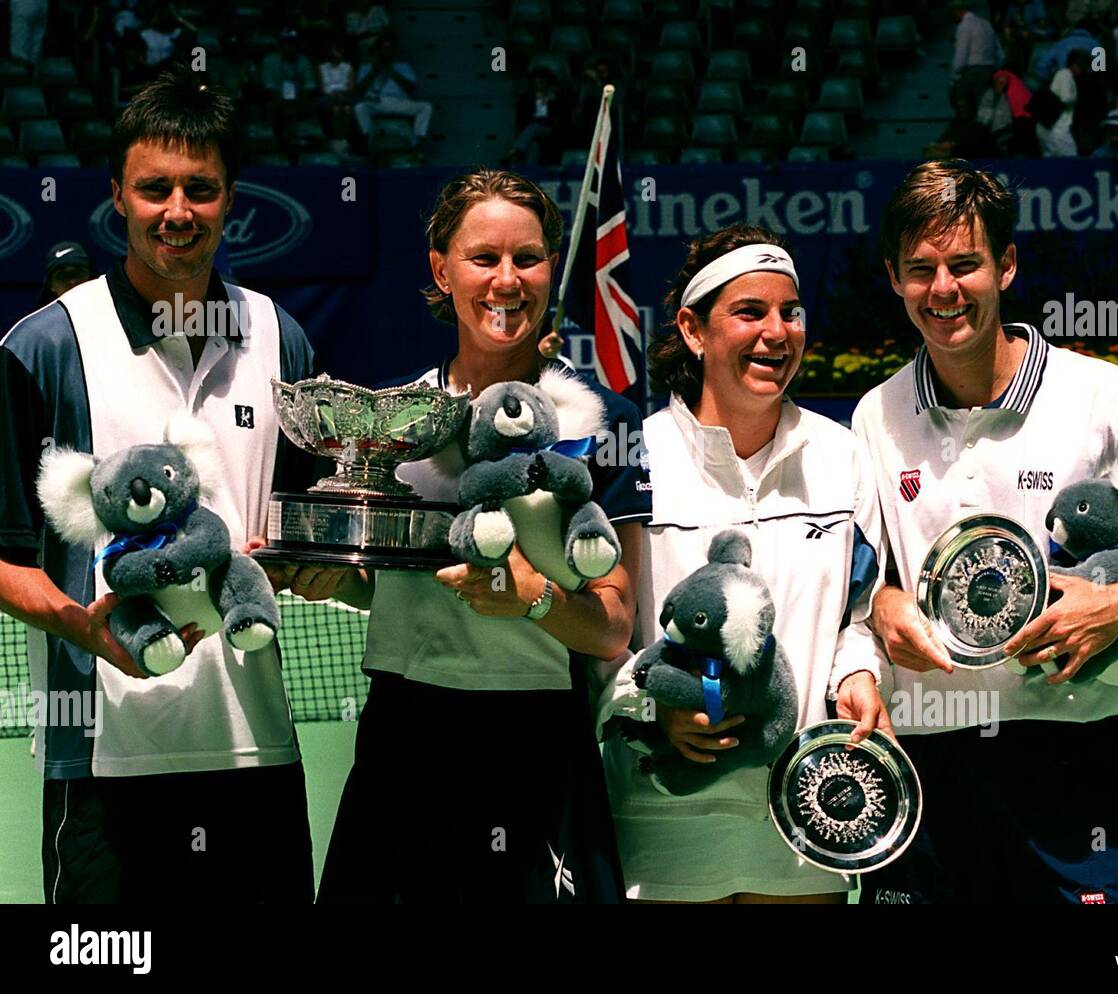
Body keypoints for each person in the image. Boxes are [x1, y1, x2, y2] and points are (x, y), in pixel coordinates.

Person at [852, 160, 1118, 904]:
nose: (943, 289)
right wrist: (880, 604)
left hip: (1075, 772)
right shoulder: (875, 415)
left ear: (1007, 265)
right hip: (927, 769)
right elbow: (856, 575)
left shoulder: (1099, 394)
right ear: (894, 278)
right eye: (921, 270)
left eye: (965, 264)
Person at [0, 69, 324, 904]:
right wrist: (85, 627)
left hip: (257, 749)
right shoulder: (46, 349)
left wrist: (299, 563)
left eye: (200, 189)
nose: (177, 211)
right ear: (117, 197)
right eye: (154, 189)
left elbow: (304, 528)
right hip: (105, 760)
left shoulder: (277, 338)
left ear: (230, 198)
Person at [315, 168, 650, 904]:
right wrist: (327, 573)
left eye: (527, 259)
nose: (507, 281)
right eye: (483, 258)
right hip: (406, 734)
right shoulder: (396, 423)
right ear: (442, 270)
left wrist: (532, 599)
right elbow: (378, 583)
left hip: (538, 743)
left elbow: (614, 626)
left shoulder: (605, 423)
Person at [596, 225, 889, 904]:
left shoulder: (842, 458)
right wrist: (652, 712)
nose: (776, 332)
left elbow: (859, 617)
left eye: (790, 312)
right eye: (749, 312)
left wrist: (859, 675)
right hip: (661, 828)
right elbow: (603, 635)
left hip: (803, 825)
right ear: (694, 331)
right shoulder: (633, 459)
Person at [353, 34, 431, 152]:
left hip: (400, 102)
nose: (387, 51)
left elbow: (411, 89)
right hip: (375, 102)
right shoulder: (366, 67)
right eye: (384, 48)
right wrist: (373, 72)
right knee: (359, 107)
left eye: (390, 48)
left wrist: (390, 71)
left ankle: (417, 142)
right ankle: (369, 139)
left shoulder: (403, 66)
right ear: (378, 50)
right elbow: (358, 92)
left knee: (426, 107)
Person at [950, 2, 1004, 111]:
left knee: (962, 104)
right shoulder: (986, 24)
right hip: (990, 71)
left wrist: (954, 77)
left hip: (972, 74)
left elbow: (960, 58)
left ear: (958, 12)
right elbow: (1001, 55)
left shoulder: (964, 26)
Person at [37, 241, 96, 307]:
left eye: (79, 274)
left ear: (91, 278)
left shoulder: (108, 311)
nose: (72, 282)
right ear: (51, 285)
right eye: (63, 276)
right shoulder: (41, 317)